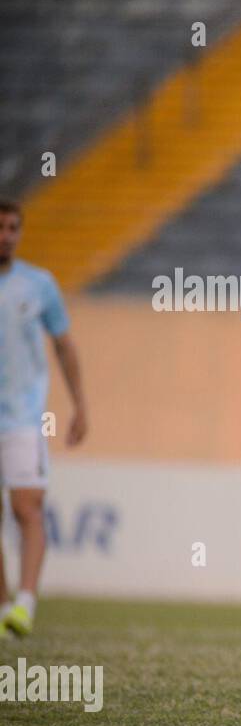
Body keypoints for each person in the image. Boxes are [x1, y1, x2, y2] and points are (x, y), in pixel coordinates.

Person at [0, 198, 89, 637]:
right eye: (0, 227)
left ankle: (26, 601)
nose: (6, 236)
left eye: (13, 228)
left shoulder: (38, 285)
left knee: (26, 506)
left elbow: (64, 345)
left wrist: (80, 405)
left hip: (21, 418)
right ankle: (2, 610)